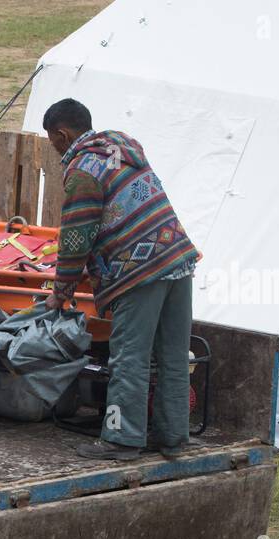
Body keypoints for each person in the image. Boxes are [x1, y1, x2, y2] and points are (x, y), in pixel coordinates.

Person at [41, 98, 200, 461]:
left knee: (130, 355)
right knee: (173, 355)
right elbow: (118, 210)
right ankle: (172, 437)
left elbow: (76, 235)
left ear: (62, 135)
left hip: (139, 270)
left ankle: (122, 437)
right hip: (175, 254)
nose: (55, 150)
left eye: (53, 142)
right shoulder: (121, 145)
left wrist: (61, 290)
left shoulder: (83, 169)